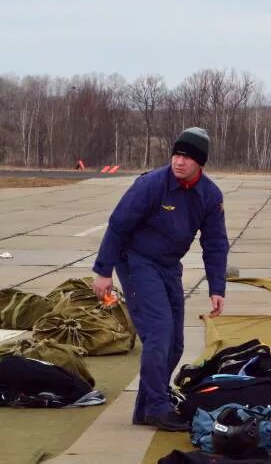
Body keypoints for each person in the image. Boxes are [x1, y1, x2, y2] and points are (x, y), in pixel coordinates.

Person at [90, 127, 228, 431]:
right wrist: (103, 271)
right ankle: (157, 406)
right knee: (159, 332)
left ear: (200, 163)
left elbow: (215, 243)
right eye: (177, 154)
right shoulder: (152, 184)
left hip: (167, 266)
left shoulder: (209, 195)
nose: (179, 161)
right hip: (136, 261)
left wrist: (217, 287)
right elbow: (118, 224)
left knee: (175, 343)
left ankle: (146, 408)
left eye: (188, 157)